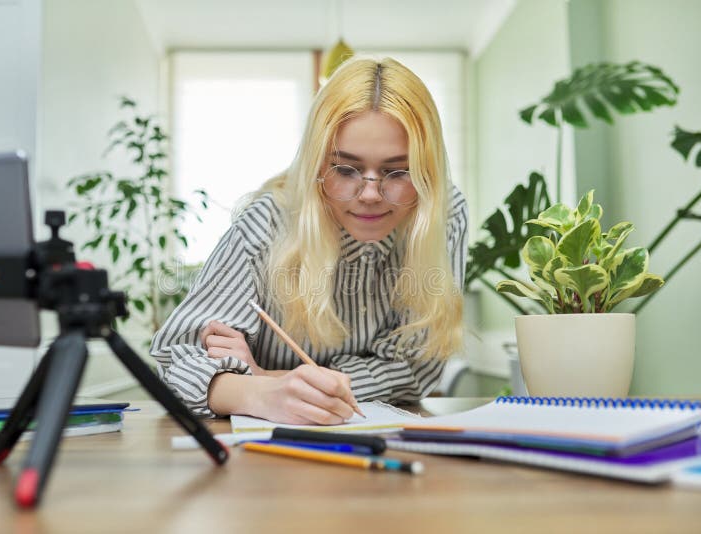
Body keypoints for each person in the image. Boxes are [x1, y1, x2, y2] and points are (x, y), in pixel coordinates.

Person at [151, 57, 467, 425]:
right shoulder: (269, 221)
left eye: (397, 171)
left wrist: (267, 377)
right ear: (316, 164)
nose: (369, 194)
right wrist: (257, 395)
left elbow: (417, 370)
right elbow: (176, 362)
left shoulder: (445, 213)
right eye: (346, 169)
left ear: (427, 171)